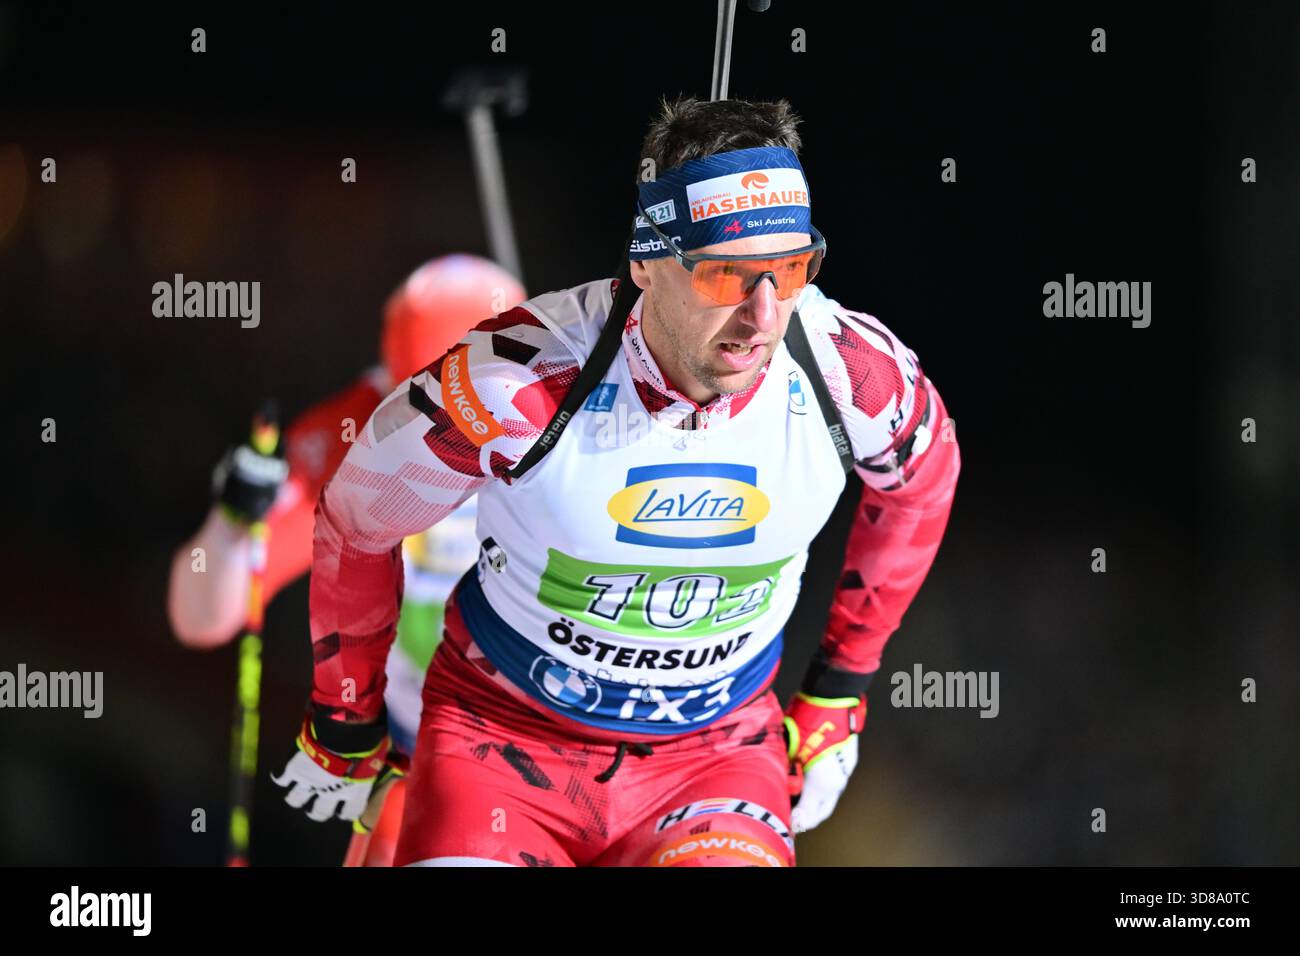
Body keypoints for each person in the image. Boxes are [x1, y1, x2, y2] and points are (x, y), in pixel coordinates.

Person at [272, 96, 962, 867]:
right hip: (502, 742)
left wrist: (841, 686)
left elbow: (925, 483)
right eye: (727, 275)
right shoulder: (518, 379)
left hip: (711, 757)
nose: (764, 316)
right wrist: (345, 711)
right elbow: (357, 520)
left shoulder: (847, 369)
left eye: (792, 269)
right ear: (646, 263)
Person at [167, 254, 526, 865]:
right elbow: (204, 618)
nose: (446, 437)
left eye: (473, 409)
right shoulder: (349, 431)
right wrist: (231, 524)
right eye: (424, 402)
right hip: (424, 758)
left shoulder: (578, 416)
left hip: (568, 749)